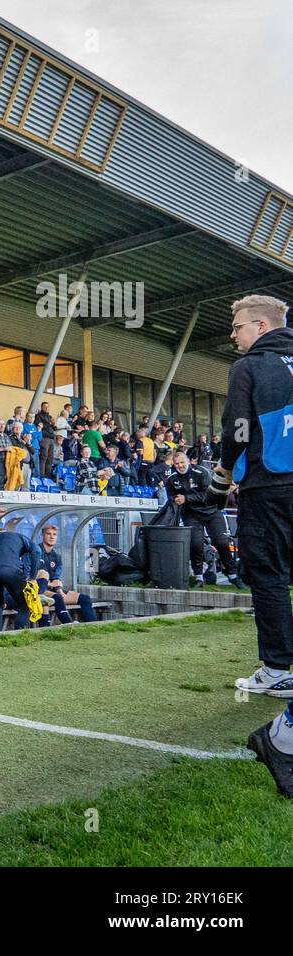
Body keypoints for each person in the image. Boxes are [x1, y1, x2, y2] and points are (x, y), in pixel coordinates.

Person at [207, 295, 293, 796]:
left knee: (268, 576)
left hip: (269, 485)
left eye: (238, 327)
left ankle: (279, 669)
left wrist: (223, 471)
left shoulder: (250, 366)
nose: (234, 335)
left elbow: (236, 425)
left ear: (260, 326)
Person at [164, 451, 237, 584]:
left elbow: (207, 494)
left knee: (221, 542)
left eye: (182, 462)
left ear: (188, 461)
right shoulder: (171, 479)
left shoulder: (201, 472)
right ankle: (198, 576)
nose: (180, 466)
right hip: (191, 514)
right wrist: (176, 499)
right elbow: (172, 497)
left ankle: (232, 574)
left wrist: (186, 498)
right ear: (173, 465)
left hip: (211, 511)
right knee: (196, 544)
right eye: (177, 464)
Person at [34, 524, 97, 625]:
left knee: (85, 599)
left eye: (54, 534)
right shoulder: (36, 551)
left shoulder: (56, 556)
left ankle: (94, 626)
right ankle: (68, 625)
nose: (51, 537)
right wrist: (56, 588)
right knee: (57, 597)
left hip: (53, 590)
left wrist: (58, 588)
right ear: (42, 535)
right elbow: (38, 575)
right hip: (38, 590)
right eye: (48, 534)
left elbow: (56, 578)